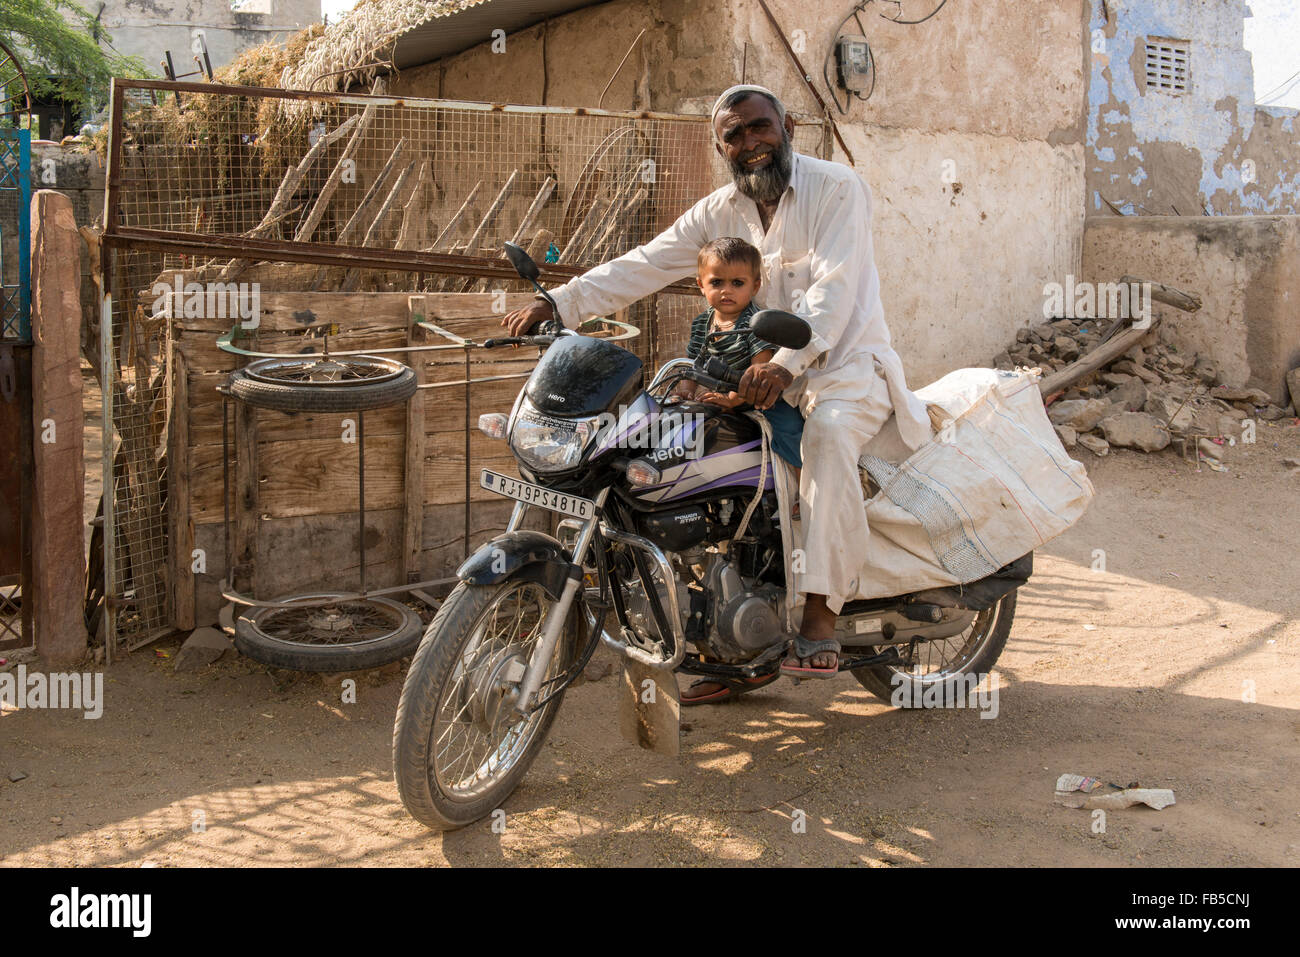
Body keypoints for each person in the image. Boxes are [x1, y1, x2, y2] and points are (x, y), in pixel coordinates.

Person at [503, 83, 931, 695]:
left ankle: (820, 617)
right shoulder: (718, 212)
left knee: (830, 438)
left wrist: (787, 361)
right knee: (685, 457)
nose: (750, 142)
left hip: (843, 369)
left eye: (760, 127)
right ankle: (729, 635)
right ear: (721, 145)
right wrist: (560, 303)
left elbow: (831, 295)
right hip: (754, 379)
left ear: (786, 127)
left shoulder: (839, 189)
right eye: (734, 135)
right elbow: (646, 263)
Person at [681, 237, 804, 480]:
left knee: (790, 429)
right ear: (701, 285)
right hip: (724, 395)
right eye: (716, 282)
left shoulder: (755, 323)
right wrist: (684, 392)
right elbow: (691, 363)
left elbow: (759, 373)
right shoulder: (701, 324)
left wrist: (732, 400)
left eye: (737, 283)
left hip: (760, 397)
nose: (726, 291)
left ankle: (804, 489)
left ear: (755, 286)